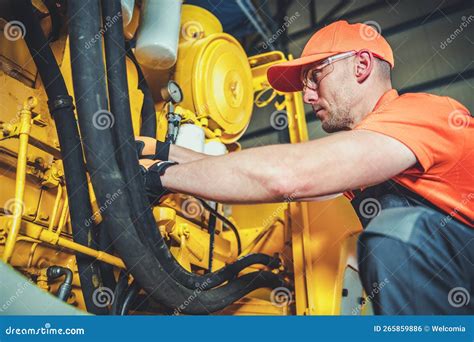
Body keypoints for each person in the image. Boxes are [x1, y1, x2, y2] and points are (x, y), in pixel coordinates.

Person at [135, 20, 473, 315]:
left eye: (315, 76)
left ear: (362, 65)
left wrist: (160, 176)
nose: (308, 96)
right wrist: (164, 152)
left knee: (396, 232)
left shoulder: (423, 113)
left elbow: (288, 177)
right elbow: (251, 175)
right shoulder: (370, 162)